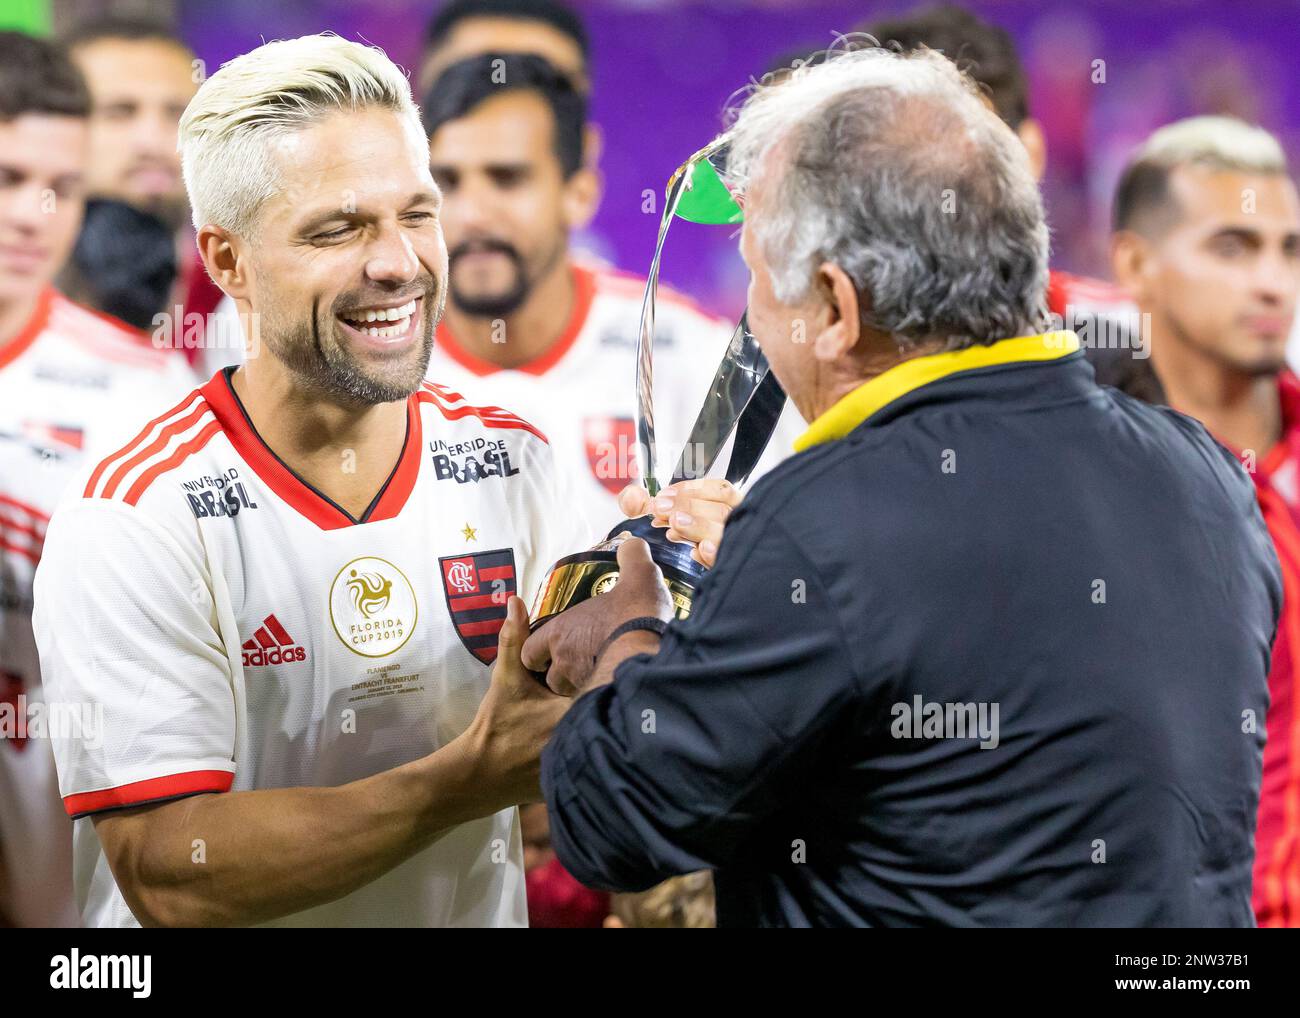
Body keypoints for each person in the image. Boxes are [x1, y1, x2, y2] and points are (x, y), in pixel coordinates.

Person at [520, 47, 1279, 927]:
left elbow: (612, 821)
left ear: (837, 311)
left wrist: (630, 634)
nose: (756, 321)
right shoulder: (1210, 476)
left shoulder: (822, 523)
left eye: (762, 289)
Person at [32, 33, 727, 928]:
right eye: (338, 228)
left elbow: (576, 750)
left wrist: (678, 602)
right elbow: (173, 874)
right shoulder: (135, 516)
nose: (399, 262)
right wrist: (464, 780)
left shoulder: (515, 459)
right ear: (227, 260)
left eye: (416, 213)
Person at [424, 52, 799, 542]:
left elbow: (800, 550)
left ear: (578, 193)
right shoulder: (375, 372)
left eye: (507, 178)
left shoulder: (697, 353)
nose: (471, 213)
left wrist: (740, 553)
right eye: (446, 182)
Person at [0, 30, 194, 928]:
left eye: (64, 188)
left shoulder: (142, 389)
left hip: (58, 869)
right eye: (7, 180)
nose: (36, 216)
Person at [1108, 115, 1300, 927]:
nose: (1271, 282)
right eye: (1232, 246)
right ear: (1136, 265)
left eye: (1289, 249)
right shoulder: (1074, 479)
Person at [854, 5, 1137, 360]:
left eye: (965, 152)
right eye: (897, 162)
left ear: (1028, 154)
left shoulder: (1125, 334)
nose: (933, 193)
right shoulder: (808, 356)